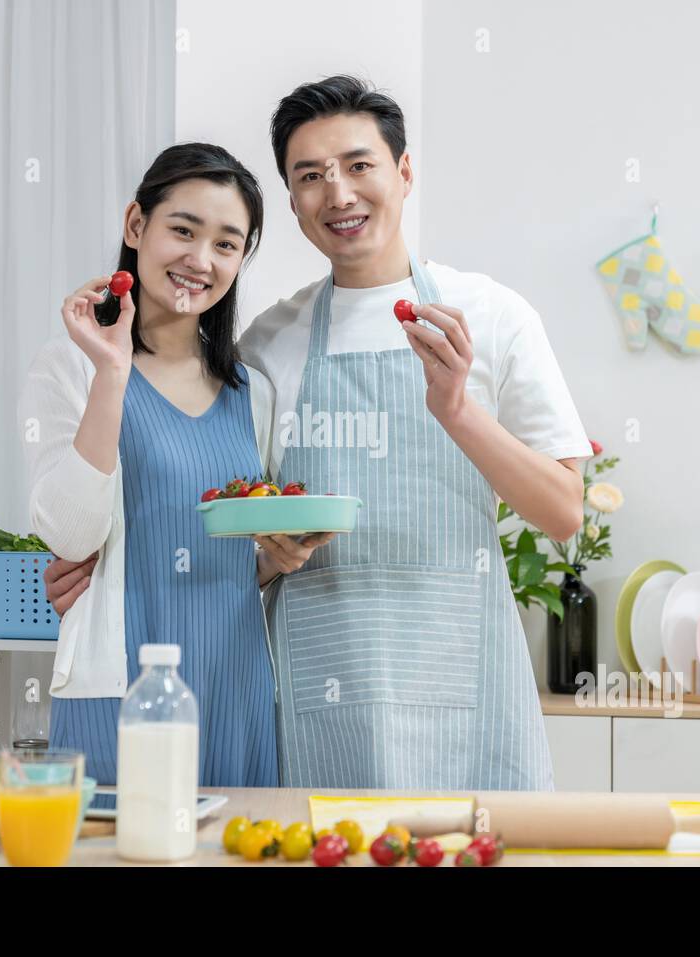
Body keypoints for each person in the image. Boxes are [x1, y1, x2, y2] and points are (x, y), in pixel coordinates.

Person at [236, 75, 593, 791]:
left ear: (403, 172)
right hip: (323, 691)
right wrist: (269, 556)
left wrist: (458, 410)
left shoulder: (491, 315)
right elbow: (238, 556)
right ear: (293, 199)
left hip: (468, 696)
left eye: (359, 165)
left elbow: (564, 512)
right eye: (310, 176)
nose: (337, 194)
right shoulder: (268, 342)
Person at [19, 142, 330, 787]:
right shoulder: (72, 367)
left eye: (226, 244)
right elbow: (70, 535)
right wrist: (111, 369)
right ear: (137, 226)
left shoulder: (255, 393)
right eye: (182, 231)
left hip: (235, 688)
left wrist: (278, 557)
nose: (200, 260)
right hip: (120, 689)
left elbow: (238, 549)